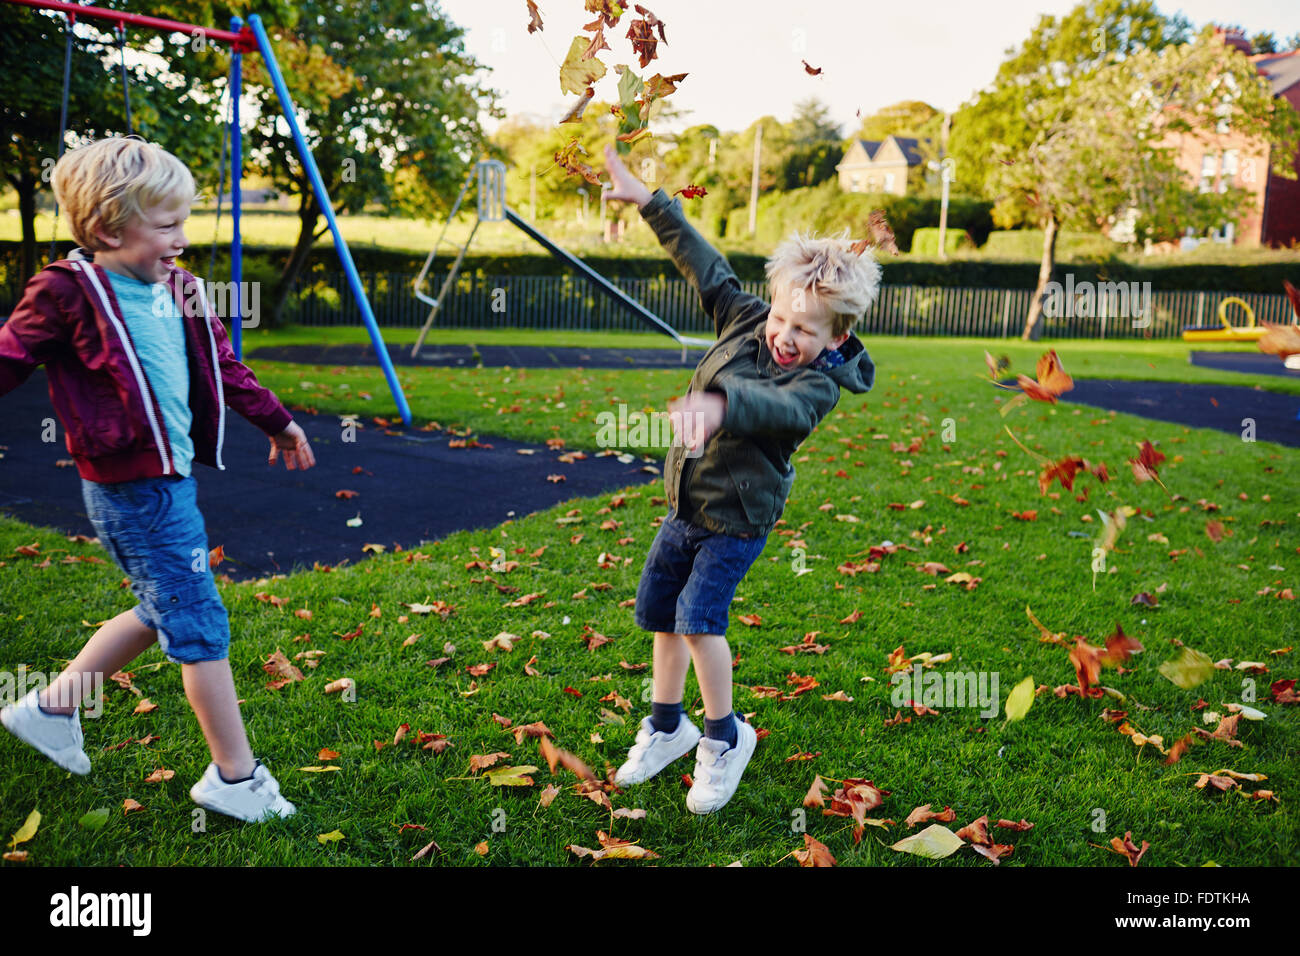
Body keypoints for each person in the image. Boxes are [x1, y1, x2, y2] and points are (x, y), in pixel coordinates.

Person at [0, 136, 315, 823]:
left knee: (162, 606)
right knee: (198, 620)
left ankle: (50, 709)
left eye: (184, 221)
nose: (183, 238)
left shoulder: (183, 288)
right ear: (109, 228)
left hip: (168, 483)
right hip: (129, 490)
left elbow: (227, 369)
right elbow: (10, 356)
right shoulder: (67, 290)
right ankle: (234, 780)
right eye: (166, 225)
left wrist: (279, 422)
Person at [601, 143, 880, 814]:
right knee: (662, 620)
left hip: (736, 521)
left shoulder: (817, 384)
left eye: (806, 330)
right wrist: (651, 202)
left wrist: (722, 404)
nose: (785, 335)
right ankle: (667, 727)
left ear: (835, 339)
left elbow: (779, 408)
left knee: (700, 620)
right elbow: (706, 265)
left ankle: (725, 738)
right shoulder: (749, 318)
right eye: (783, 318)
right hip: (685, 508)